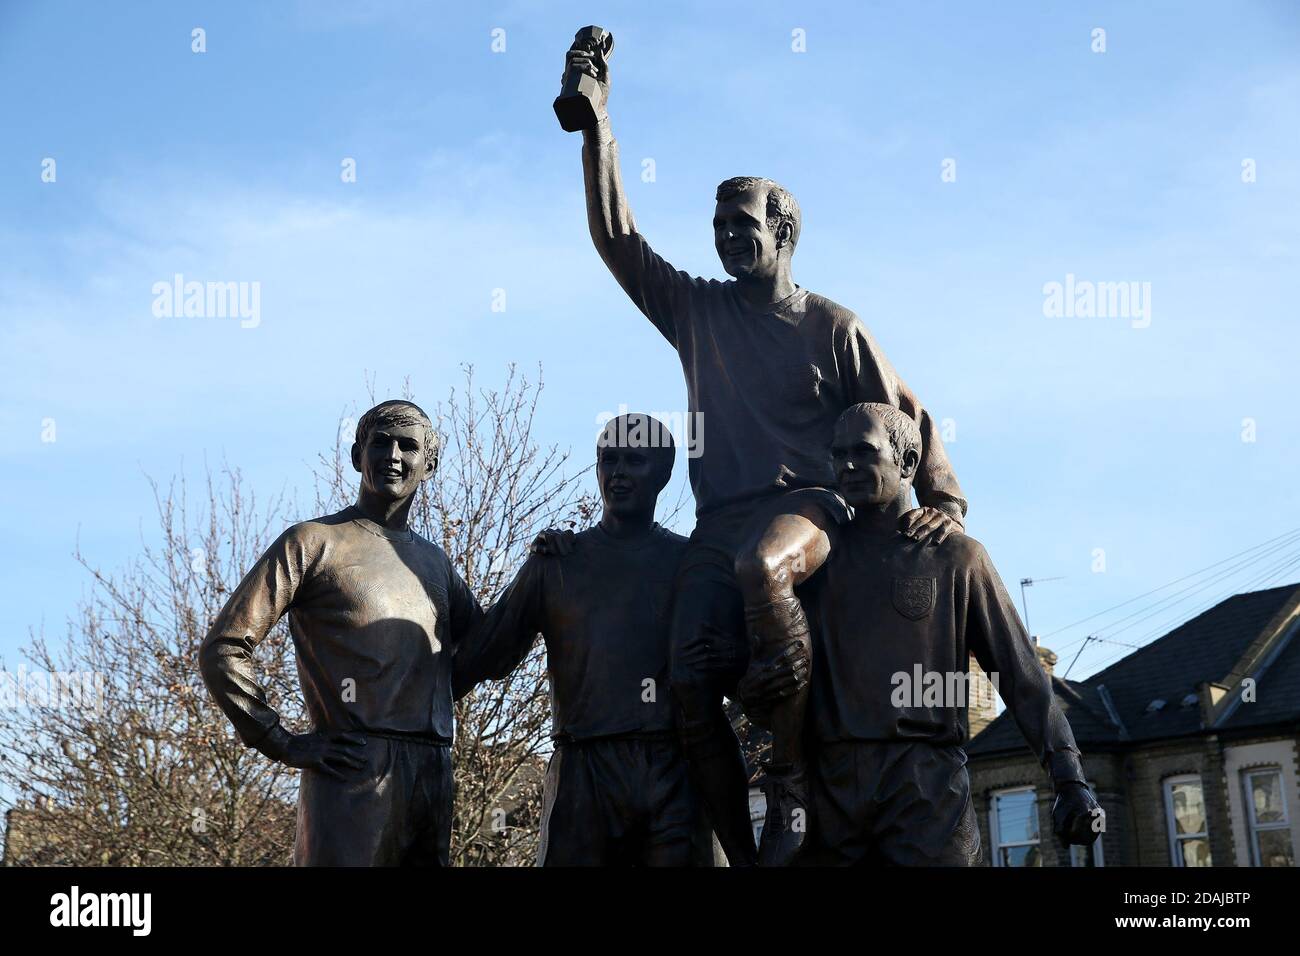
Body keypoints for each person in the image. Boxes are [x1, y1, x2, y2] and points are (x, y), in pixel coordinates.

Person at [563, 38, 967, 865]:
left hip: (808, 509)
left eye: (741, 225)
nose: (725, 239)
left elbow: (909, 414)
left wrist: (945, 508)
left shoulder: (832, 326)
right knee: (684, 679)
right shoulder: (696, 312)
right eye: (716, 227)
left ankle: (785, 779)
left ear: (783, 233)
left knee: (763, 568)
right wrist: (598, 125)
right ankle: (743, 853)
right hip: (719, 519)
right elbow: (617, 238)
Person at [742, 403, 1102, 864]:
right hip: (832, 788)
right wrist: (759, 690)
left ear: (908, 463)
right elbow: (781, 672)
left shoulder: (956, 557)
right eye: (838, 454)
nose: (847, 465)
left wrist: (1069, 778)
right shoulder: (816, 563)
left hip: (926, 786)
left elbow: (1022, 677)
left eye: (864, 452)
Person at [199, 400, 481, 866]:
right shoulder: (313, 541)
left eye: (407, 446)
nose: (393, 455)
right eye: (380, 443)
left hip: (432, 774)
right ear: (357, 456)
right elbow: (224, 649)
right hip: (352, 772)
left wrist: (546, 570)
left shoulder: (435, 564)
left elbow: (487, 648)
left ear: (429, 465)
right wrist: (279, 740)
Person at [456, 414, 710, 865]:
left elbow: (732, 665)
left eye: (635, 460)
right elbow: (482, 655)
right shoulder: (556, 564)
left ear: (664, 473)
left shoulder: (691, 563)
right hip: (583, 772)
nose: (618, 473)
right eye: (608, 460)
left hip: (674, 770)